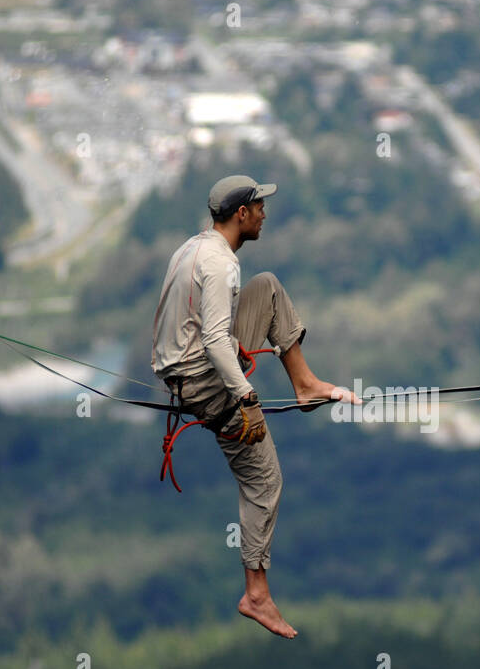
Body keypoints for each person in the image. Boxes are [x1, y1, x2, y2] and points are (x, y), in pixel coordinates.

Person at [151, 174, 360, 638]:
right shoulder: (222, 264)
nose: (265, 213)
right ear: (241, 214)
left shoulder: (192, 247)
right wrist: (245, 398)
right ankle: (257, 595)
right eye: (259, 206)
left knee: (266, 288)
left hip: (183, 370)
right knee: (265, 478)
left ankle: (305, 384)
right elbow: (215, 340)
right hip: (203, 379)